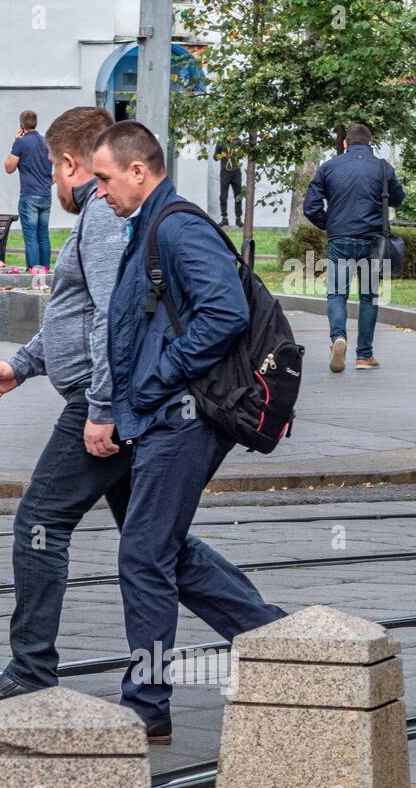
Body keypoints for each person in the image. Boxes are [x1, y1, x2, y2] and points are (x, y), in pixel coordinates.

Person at [90, 121, 286, 739]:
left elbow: (224, 310)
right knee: (164, 547)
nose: (99, 191)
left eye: (104, 178)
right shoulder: (150, 225)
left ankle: (147, 706)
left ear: (138, 172)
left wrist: (158, 379)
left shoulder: (176, 226)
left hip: (184, 416)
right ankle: (279, 641)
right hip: (162, 413)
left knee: (144, 552)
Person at [0, 106, 134, 706]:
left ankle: (31, 667)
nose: (55, 183)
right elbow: (77, 314)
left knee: (40, 522)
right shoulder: (104, 216)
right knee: (158, 541)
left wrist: (102, 408)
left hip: (100, 402)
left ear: (68, 162)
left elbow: (111, 318)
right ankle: (272, 634)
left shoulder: (102, 217)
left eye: (57, 168)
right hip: (105, 397)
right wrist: (23, 363)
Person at [304, 123, 405, 373]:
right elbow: (398, 198)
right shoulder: (383, 167)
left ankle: (338, 338)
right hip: (372, 240)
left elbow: (311, 207)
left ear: (345, 144)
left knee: (337, 293)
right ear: (370, 143)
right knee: (368, 297)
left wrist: (329, 224)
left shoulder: (329, 167)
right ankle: (364, 356)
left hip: (340, 239)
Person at [5, 110, 53, 269]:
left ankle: (34, 270)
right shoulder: (47, 142)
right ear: (35, 123)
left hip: (29, 195)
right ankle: (45, 269)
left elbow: (9, 168)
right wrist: (48, 183)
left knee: (31, 235)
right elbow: (58, 169)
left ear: (21, 125)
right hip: (45, 195)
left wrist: (15, 141)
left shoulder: (21, 142)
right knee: (43, 235)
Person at [218, 143, 243, 228]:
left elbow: (242, 155)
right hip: (225, 172)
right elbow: (215, 156)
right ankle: (224, 218)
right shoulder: (221, 142)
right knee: (223, 196)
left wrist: (238, 153)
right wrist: (222, 155)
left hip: (236, 172)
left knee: (238, 195)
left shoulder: (238, 141)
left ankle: (238, 218)